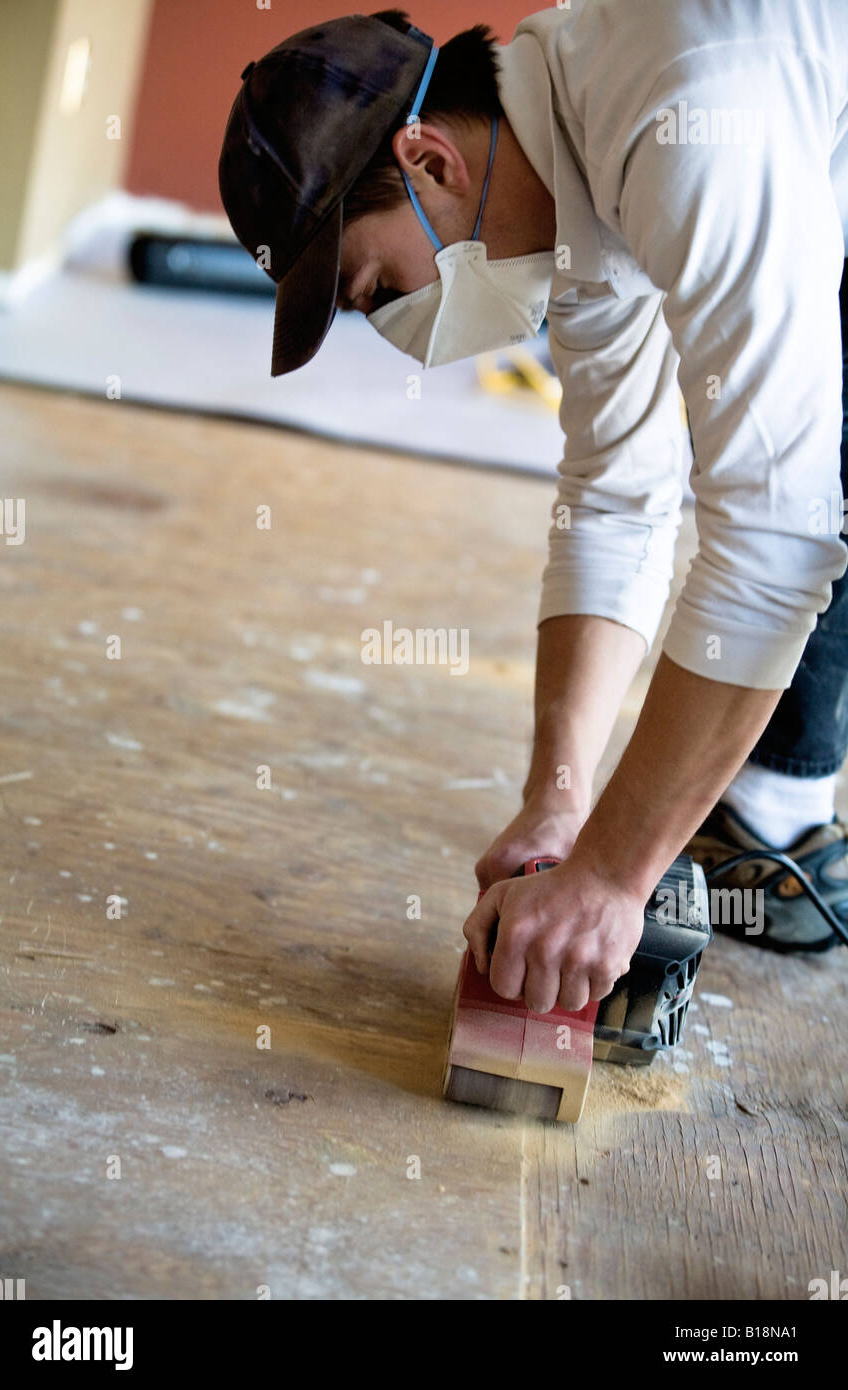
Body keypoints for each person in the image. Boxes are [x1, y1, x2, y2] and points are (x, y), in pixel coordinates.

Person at [219, 2, 848, 1015]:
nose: (394, 331)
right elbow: (614, 501)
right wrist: (558, 805)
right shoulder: (571, 198)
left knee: (803, 460)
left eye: (374, 287)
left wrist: (609, 877)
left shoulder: (681, 122)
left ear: (427, 161)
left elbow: (774, 539)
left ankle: (780, 806)